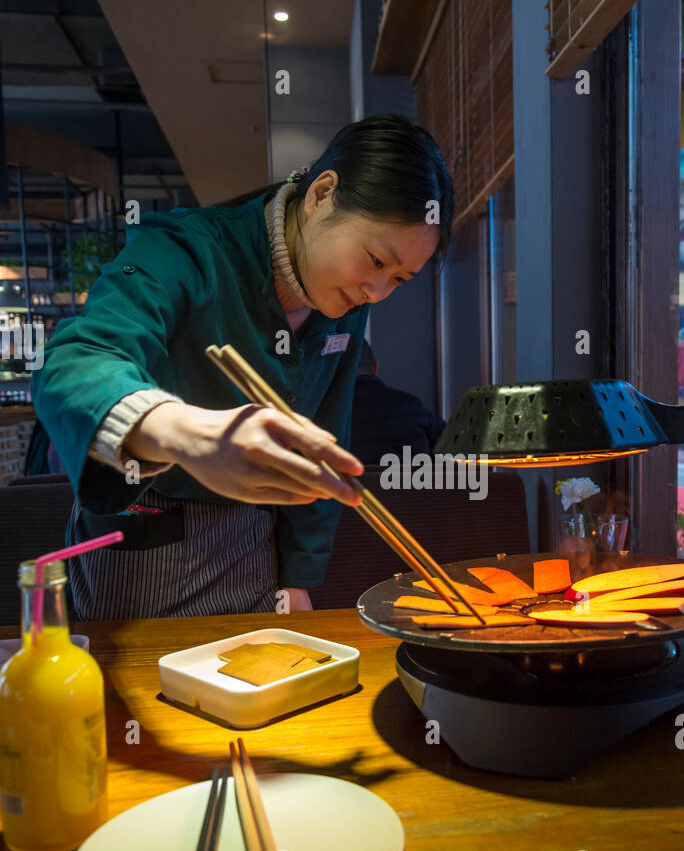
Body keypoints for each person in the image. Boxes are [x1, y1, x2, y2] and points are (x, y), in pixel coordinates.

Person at [32, 114, 453, 619]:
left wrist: (298, 576)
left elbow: (324, 436)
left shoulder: (347, 299)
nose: (376, 291)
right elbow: (76, 360)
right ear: (322, 194)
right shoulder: (188, 251)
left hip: (253, 538)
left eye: (400, 280)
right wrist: (186, 434)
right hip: (149, 525)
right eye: (376, 260)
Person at [349, 339, 446, 466]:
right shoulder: (413, 406)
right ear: (375, 367)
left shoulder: (327, 416)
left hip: (352, 485)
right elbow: (453, 451)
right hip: (416, 484)